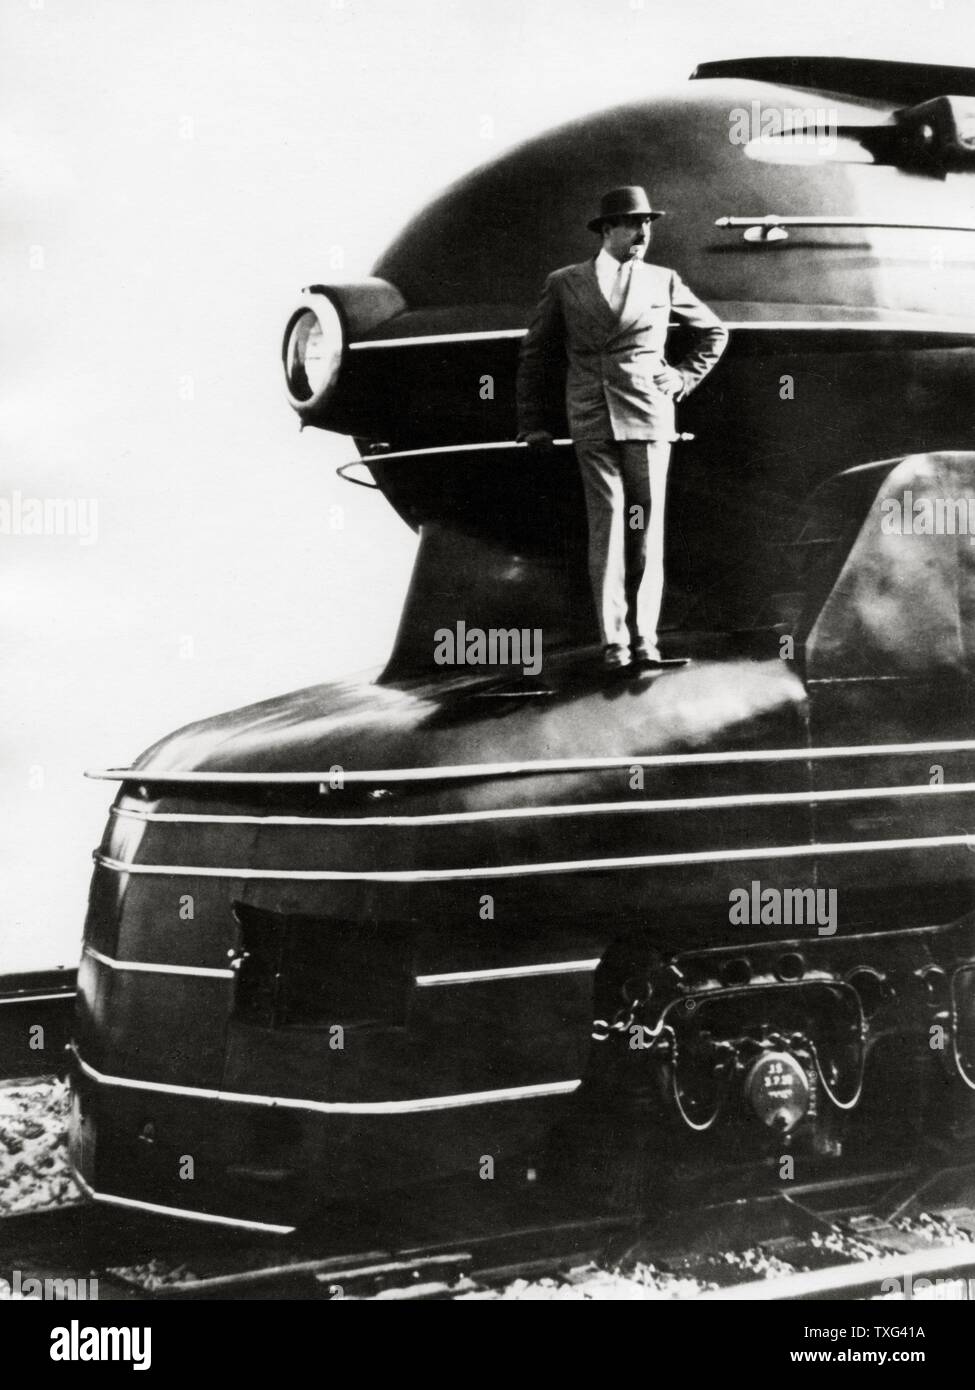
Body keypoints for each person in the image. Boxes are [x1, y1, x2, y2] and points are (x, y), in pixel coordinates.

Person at [516, 185, 728, 671]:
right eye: (633, 224)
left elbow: (715, 331)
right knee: (607, 528)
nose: (642, 233)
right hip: (591, 417)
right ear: (606, 230)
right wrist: (532, 422)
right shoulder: (565, 283)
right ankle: (614, 643)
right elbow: (535, 355)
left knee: (647, 528)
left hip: (650, 415)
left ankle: (646, 638)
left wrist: (682, 376)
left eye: (647, 224)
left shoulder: (663, 280)